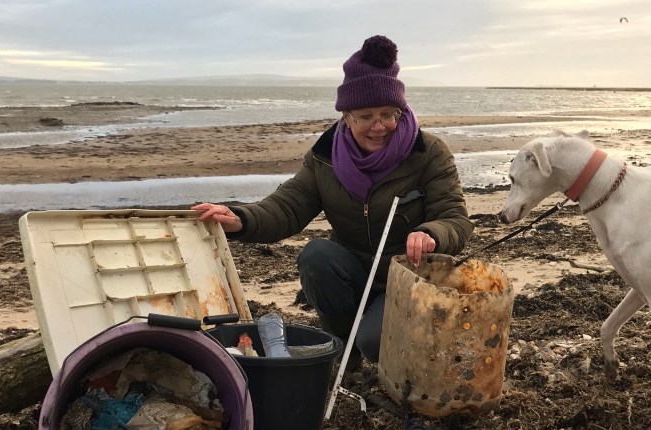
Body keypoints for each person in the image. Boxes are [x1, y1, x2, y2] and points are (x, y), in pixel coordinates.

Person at [193, 35, 473, 371]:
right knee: (316, 256)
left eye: (388, 114)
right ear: (347, 116)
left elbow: (456, 219)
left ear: (401, 111)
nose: (379, 126)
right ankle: (343, 352)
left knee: (373, 340)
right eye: (366, 116)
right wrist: (240, 219)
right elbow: (288, 206)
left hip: (408, 277)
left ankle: (380, 343)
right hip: (352, 274)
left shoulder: (428, 152)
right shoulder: (325, 156)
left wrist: (432, 233)